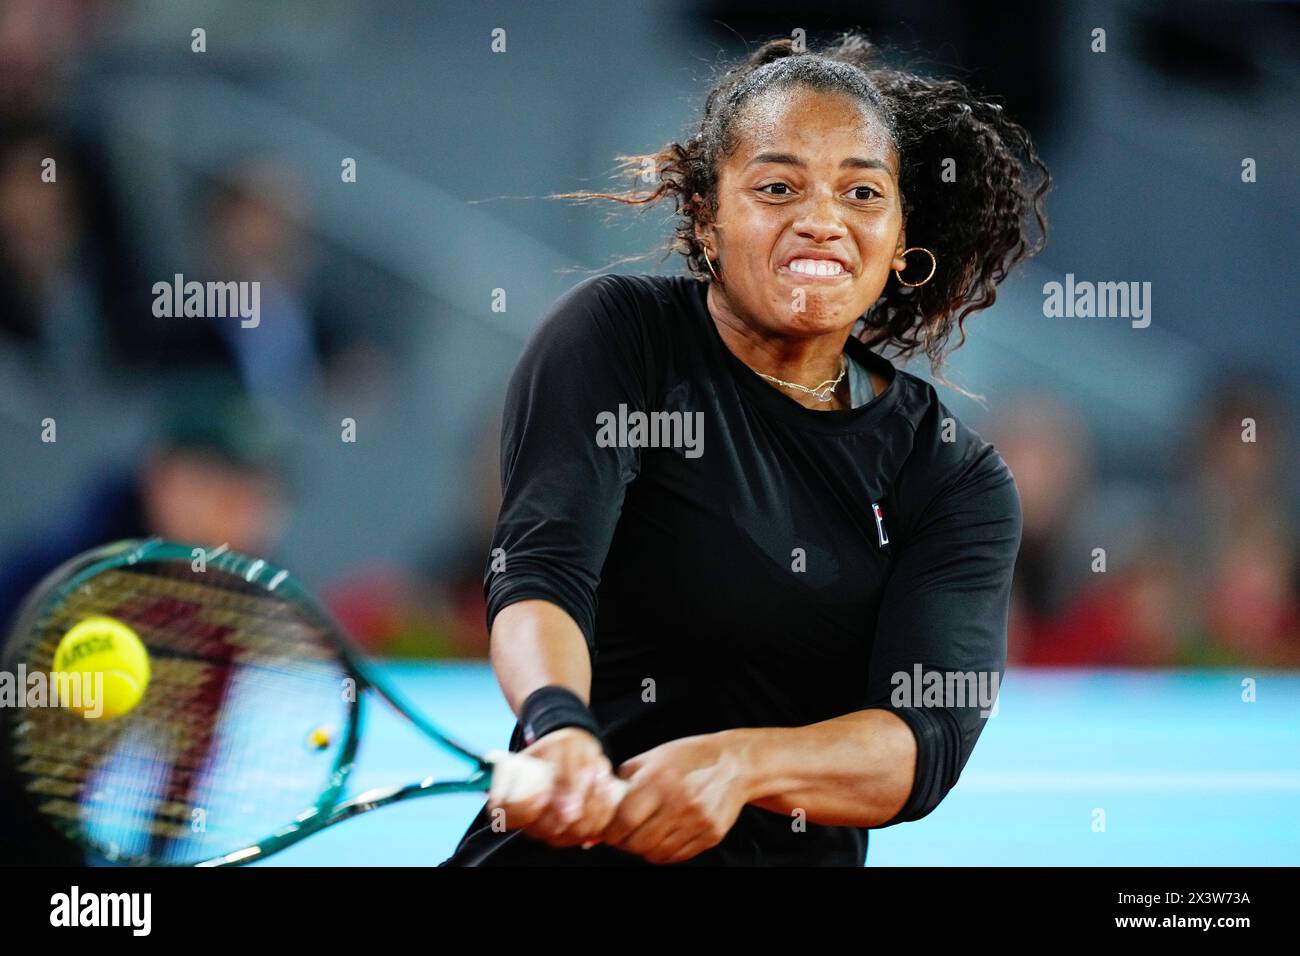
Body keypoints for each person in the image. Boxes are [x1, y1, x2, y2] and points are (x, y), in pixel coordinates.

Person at [442, 32, 1049, 866]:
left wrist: (740, 764)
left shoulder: (954, 478)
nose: (823, 220)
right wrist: (560, 727)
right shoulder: (621, 336)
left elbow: (925, 738)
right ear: (707, 217)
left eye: (863, 192)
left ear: (904, 236)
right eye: (777, 186)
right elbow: (542, 571)